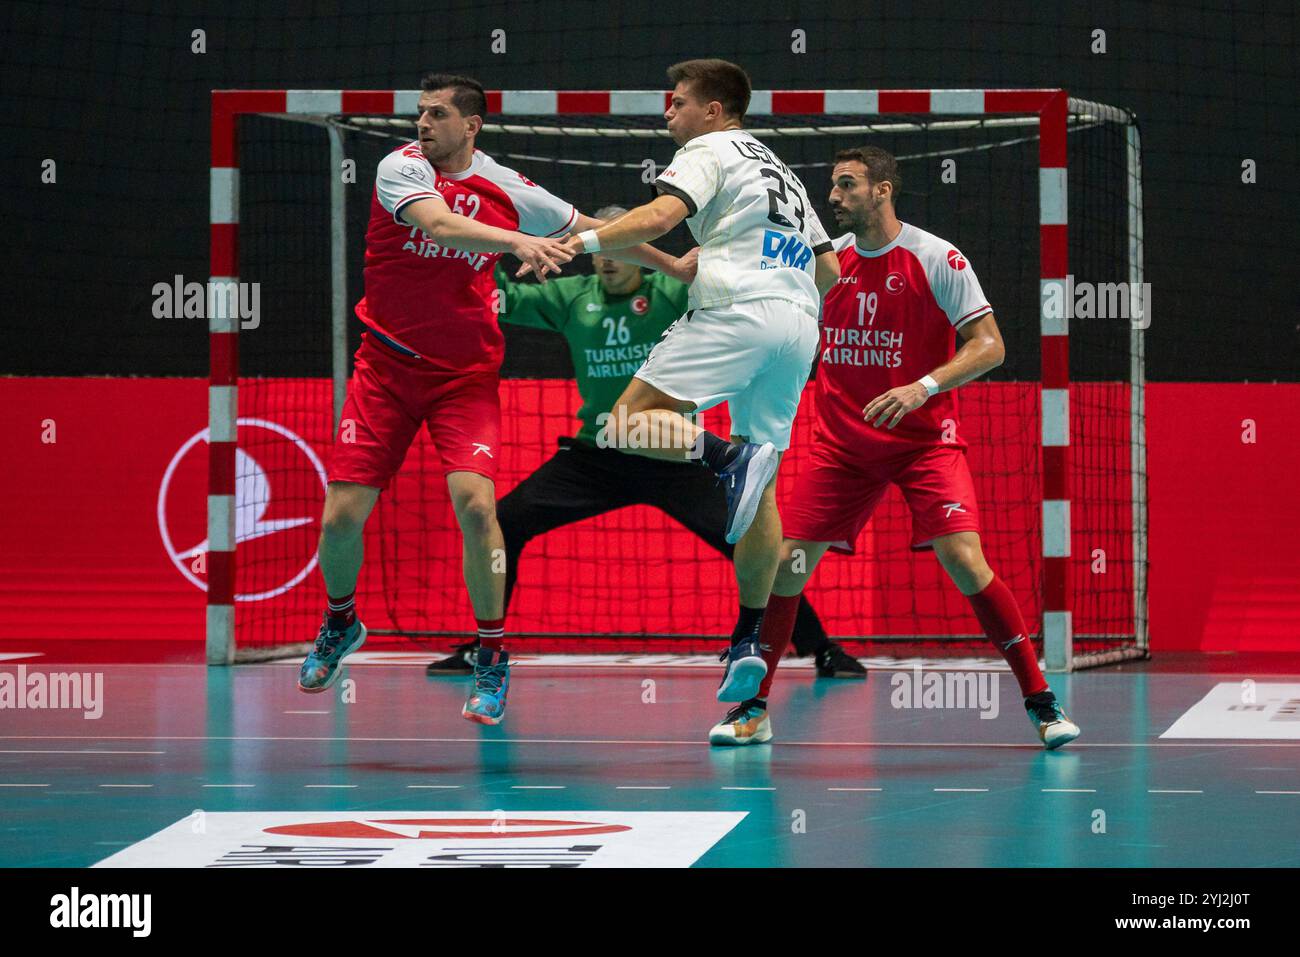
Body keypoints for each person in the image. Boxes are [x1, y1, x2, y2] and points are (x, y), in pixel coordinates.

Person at [297, 73, 691, 728]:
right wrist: (515, 241)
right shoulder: (400, 168)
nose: (422, 124)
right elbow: (439, 224)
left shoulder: (505, 185)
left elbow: (594, 227)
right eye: (419, 112)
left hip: (464, 377)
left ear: (471, 125)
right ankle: (341, 621)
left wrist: (674, 265)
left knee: (478, 506)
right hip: (386, 369)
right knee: (341, 515)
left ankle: (490, 655)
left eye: (438, 114)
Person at [710, 145, 1080, 749]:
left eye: (847, 185)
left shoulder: (938, 259)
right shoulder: (824, 266)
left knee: (964, 559)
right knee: (786, 567)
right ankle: (752, 709)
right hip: (842, 449)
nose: (833, 197)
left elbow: (990, 346)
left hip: (923, 442)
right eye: (831, 186)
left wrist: (923, 386)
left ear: (883, 190)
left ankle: (1041, 702)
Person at [425, 211, 865, 679]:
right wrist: (488, 241)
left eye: (618, 253)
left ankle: (820, 647)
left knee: (753, 536)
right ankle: (483, 646)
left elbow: (732, 303)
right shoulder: (572, 297)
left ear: (639, 256)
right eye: (599, 254)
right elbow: (500, 300)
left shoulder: (676, 295)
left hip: (674, 457)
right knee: (505, 521)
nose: (607, 263)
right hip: (597, 457)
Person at [557, 58, 842, 709]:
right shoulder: (786, 174)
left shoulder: (708, 149)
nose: (669, 112)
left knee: (623, 424)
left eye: (678, 101)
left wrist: (584, 241)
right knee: (762, 486)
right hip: (798, 326)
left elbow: (659, 215)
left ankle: (726, 457)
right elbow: (828, 271)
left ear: (713, 110)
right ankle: (748, 638)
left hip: (735, 309)